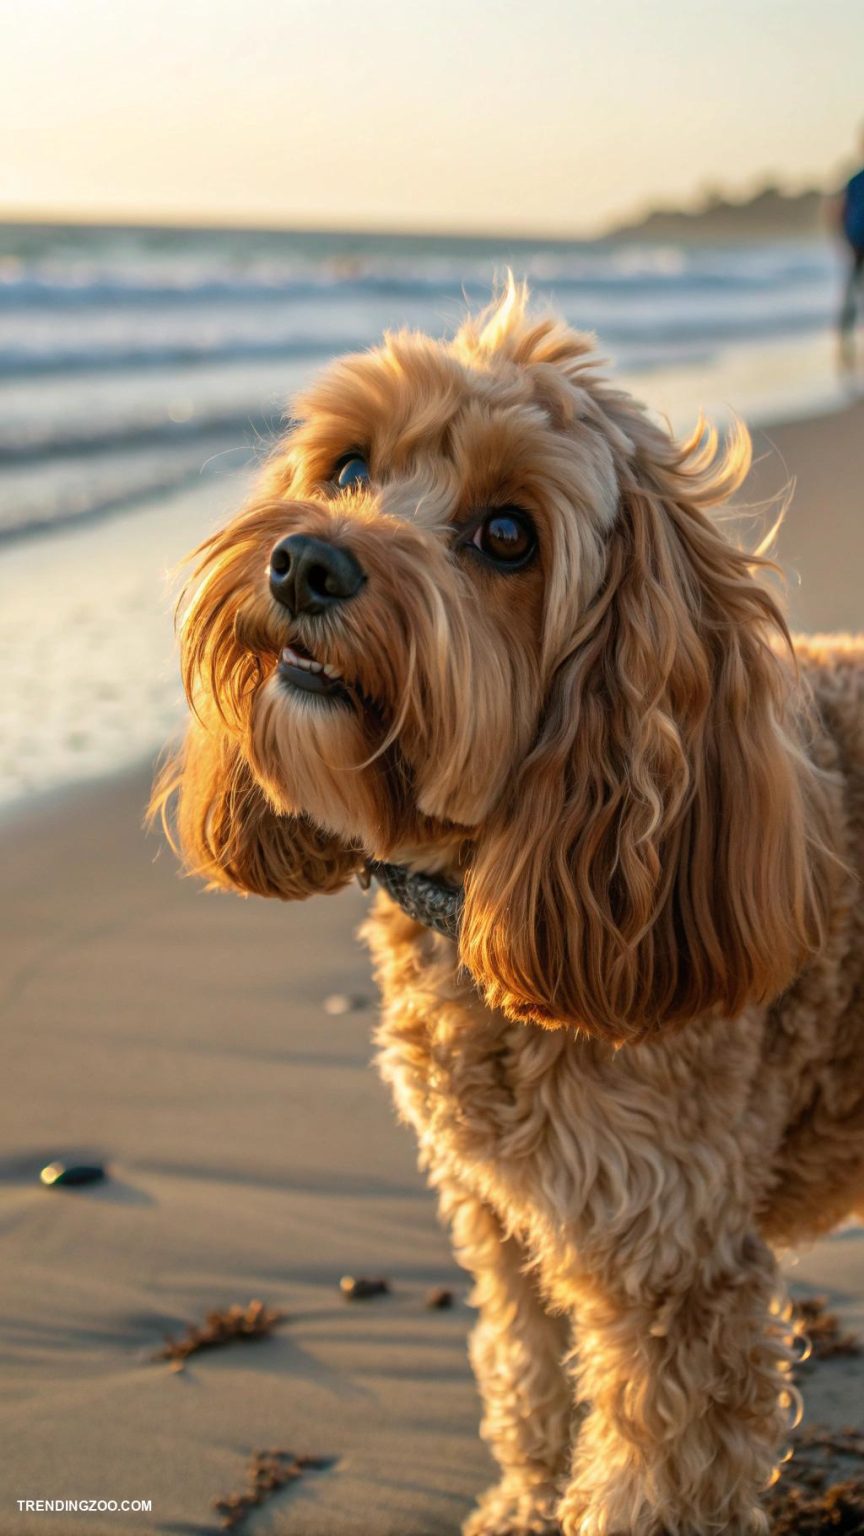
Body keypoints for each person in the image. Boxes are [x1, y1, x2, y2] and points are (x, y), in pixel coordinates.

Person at [838, 135, 864, 370]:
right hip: (857, 240)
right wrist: (844, 237)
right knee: (852, 290)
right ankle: (845, 337)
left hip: (855, 238)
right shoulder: (855, 180)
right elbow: (841, 210)